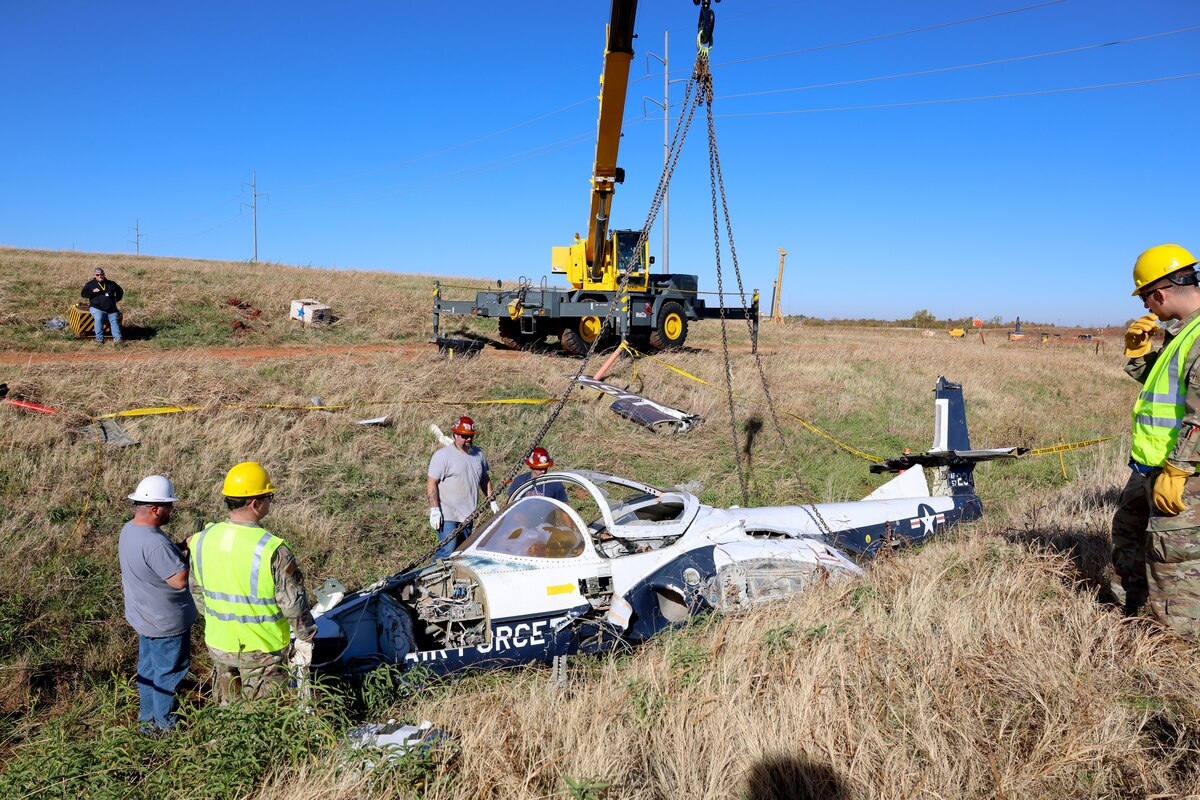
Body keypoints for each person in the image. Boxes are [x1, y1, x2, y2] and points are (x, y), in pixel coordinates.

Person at [1111, 243, 1200, 643]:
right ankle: (1127, 615)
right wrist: (1138, 353)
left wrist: (1179, 468)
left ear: (1159, 294)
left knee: (1173, 562)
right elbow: (1163, 390)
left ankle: (1174, 648)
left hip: (1180, 473)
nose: (1147, 306)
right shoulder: (1181, 335)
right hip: (1150, 466)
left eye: (1146, 297)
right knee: (1128, 534)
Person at [188, 462, 316, 704]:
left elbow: (197, 594)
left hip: (219, 646)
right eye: (269, 496)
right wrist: (305, 636)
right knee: (263, 717)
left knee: (230, 714)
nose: (270, 501)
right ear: (255, 503)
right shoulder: (271, 549)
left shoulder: (201, 541)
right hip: (262, 651)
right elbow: (293, 605)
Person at [118, 475, 195, 733]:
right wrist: (194, 553)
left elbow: (151, 560)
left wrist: (180, 547)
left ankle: (147, 721)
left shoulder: (130, 530)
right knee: (168, 673)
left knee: (148, 670)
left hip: (144, 618)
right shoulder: (156, 542)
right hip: (166, 623)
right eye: (169, 506)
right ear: (155, 509)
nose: (171, 510)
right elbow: (179, 580)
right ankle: (165, 725)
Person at [427, 416, 496, 559]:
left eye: (470, 436)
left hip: (468, 513)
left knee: (461, 553)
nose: (468, 439)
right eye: (464, 436)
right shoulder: (443, 456)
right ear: (455, 435)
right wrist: (434, 509)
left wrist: (492, 501)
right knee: (448, 550)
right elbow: (431, 483)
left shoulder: (479, 455)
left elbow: (484, 479)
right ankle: (427, 577)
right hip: (447, 514)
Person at [81, 266, 123, 345]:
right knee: (99, 318)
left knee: (114, 320)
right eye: (97, 275)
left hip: (111, 309)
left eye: (101, 274)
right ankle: (99, 340)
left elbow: (120, 291)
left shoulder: (111, 283)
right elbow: (83, 294)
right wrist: (92, 292)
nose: (100, 276)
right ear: (94, 275)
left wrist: (116, 299)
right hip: (97, 308)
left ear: (104, 274)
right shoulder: (90, 284)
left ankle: (118, 340)